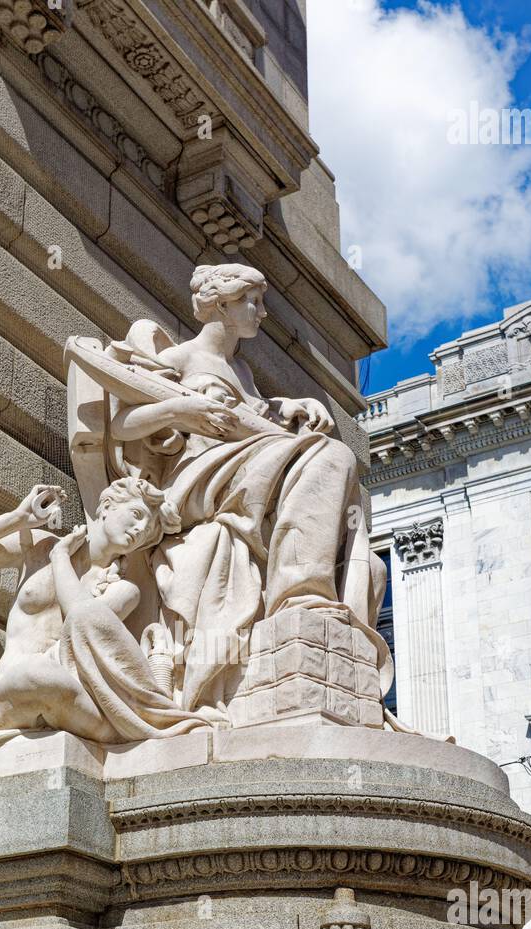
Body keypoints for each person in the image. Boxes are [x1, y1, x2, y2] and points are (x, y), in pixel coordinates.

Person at [101, 263, 392, 714]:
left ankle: (335, 621)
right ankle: (302, 597)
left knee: (367, 560)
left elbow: (255, 416)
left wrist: (290, 405)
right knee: (333, 456)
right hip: (199, 476)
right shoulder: (181, 358)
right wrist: (183, 408)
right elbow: (123, 425)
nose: (262, 313)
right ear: (221, 305)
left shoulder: (241, 370)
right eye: (252, 302)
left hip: (248, 467)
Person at [0, 477, 210, 772]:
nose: (140, 530)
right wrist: (18, 519)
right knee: (33, 675)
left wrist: (61, 558)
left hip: (75, 699)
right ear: (107, 507)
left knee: (50, 669)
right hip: (11, 693)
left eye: (148, 530)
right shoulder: (41, 547)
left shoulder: (123, 590)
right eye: (137, 515)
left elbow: (79, 619)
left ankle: (136, 726)